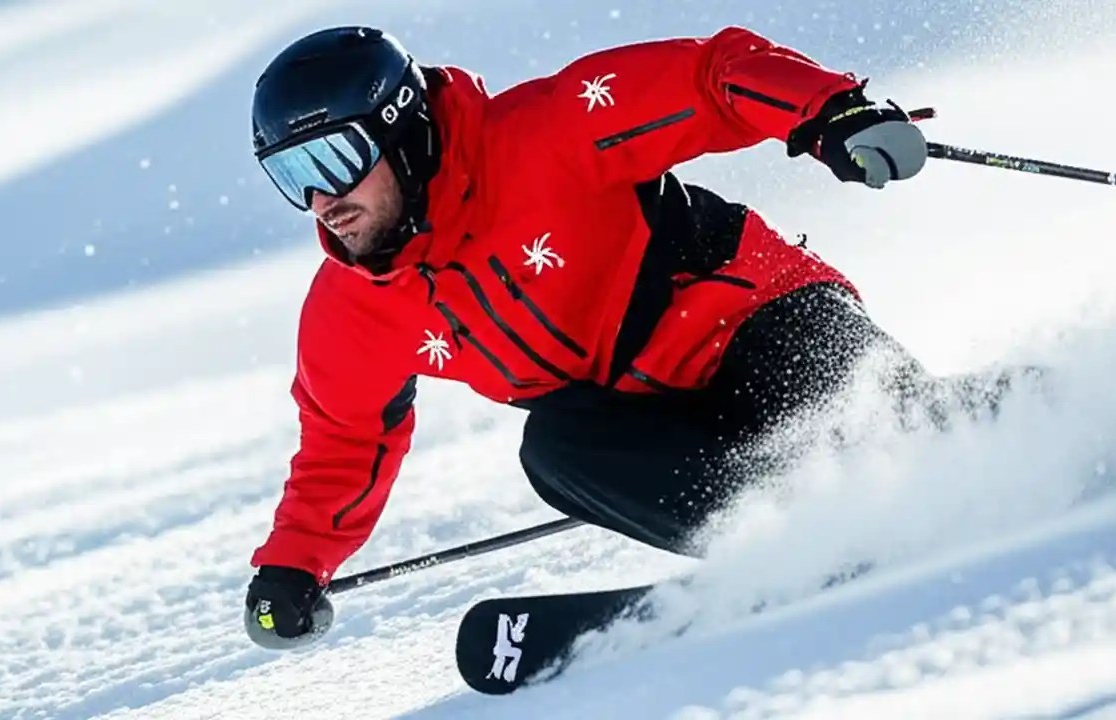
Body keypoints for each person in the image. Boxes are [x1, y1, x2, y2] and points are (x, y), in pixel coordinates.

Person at [241, 24, 1016, 646]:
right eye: (290, 176)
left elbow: (711, 77)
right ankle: (798, 540)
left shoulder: (546, 132)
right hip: (660, 425)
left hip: (755, 316)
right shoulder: (352, 308)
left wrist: (827, 111)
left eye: (333, 159)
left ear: (401, 131)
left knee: (891, 438)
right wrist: (292, 568)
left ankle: (1012, 432)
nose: (321, 200)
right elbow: (344, 441)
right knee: (556, 451)